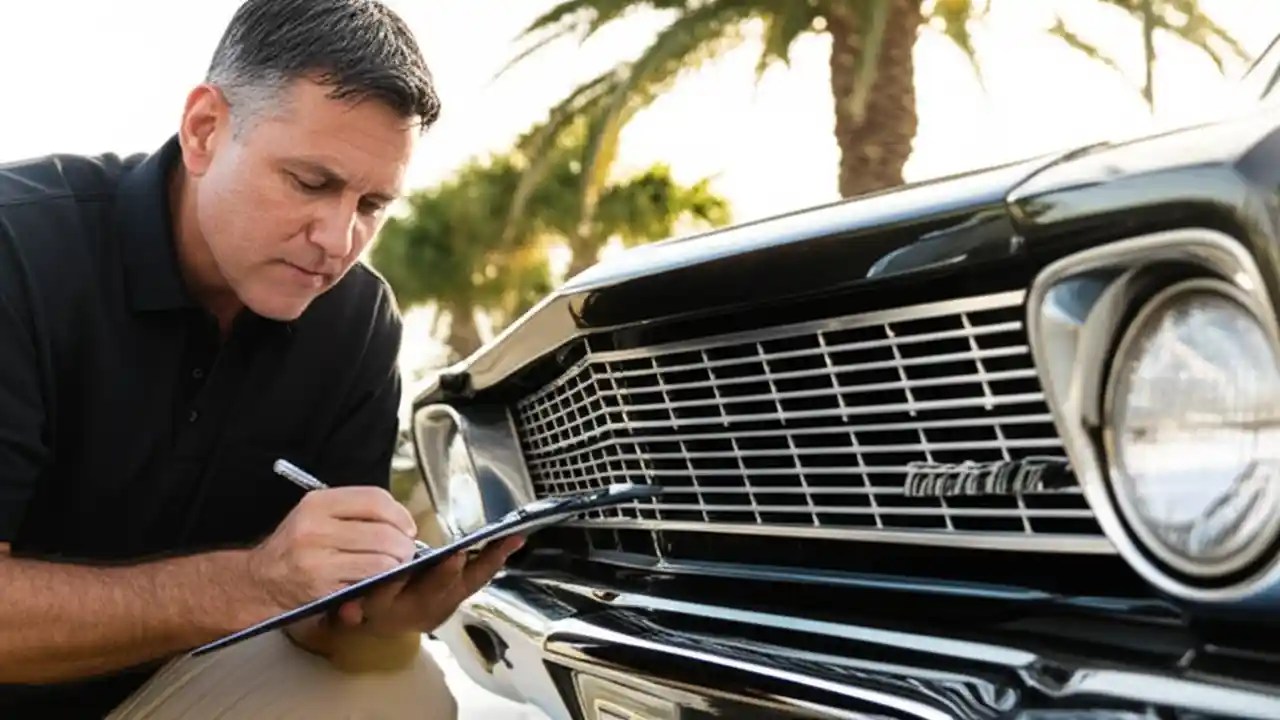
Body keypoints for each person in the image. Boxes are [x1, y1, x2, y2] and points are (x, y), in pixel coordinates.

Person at [0, 0, 522, 716]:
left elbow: (316, 630)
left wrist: (379, 614)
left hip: (160, 695)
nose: (338, 240)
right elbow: (259, 591)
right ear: (205, 131)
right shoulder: (18, 252)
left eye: (373, 204)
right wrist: (251, 583)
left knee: (399, 690)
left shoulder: (357, 323)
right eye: (311, 183)